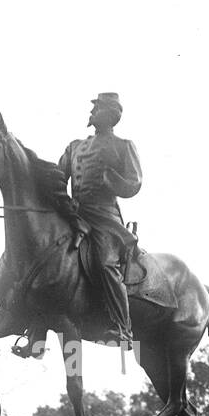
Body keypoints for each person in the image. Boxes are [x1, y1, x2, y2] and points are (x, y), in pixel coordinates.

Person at [59, 92, 142, 346]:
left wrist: (112, 180)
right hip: (76, 214)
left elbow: (134, 183)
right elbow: (58, 178)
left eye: (96, 109)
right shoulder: (75, 146)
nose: (91, 113)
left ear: (109, 115)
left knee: (106, 263)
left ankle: (122, 328)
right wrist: (62, 200)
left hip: (105, 218)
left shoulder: (124, 146)